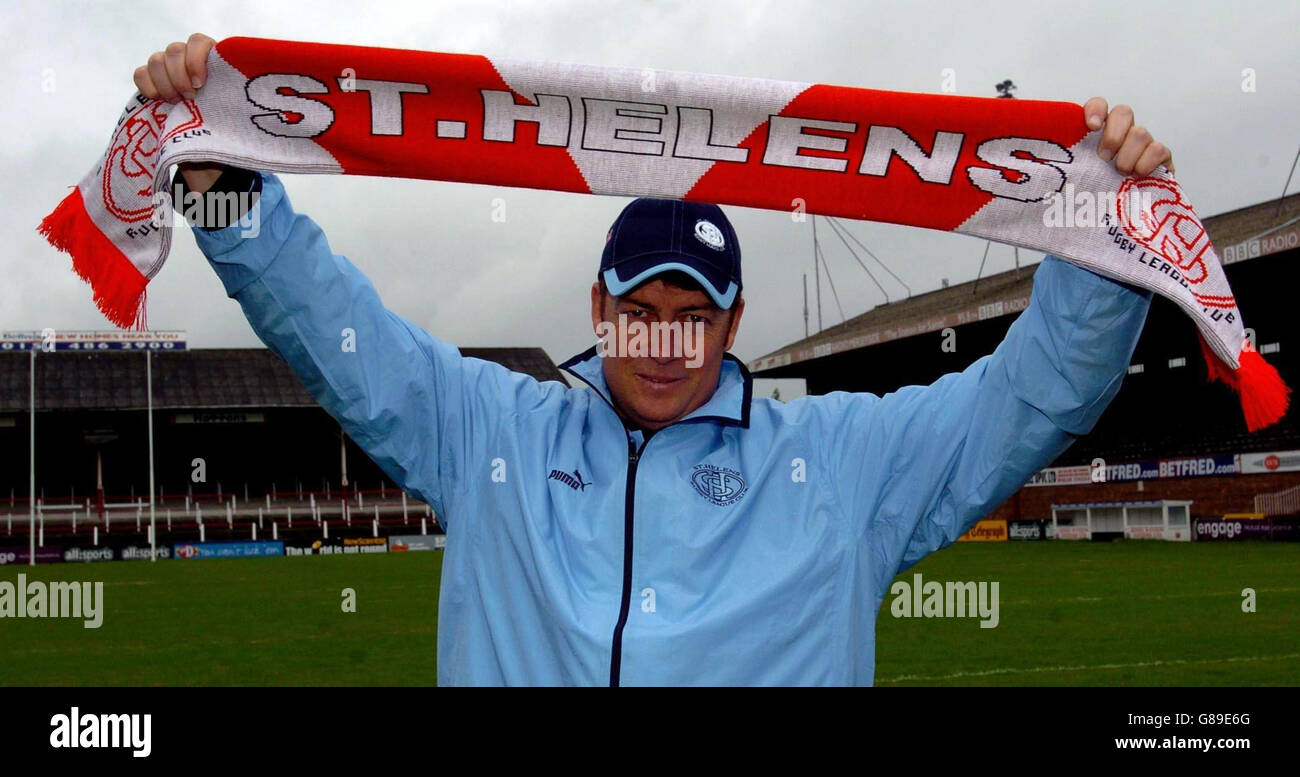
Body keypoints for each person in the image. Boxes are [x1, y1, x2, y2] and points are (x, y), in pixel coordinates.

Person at [136, 33, 1173, 686]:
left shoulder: (847, 465)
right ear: (597, 306)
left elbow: (1031, 397)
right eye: (639, 310)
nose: (663, 344)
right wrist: (224, 185)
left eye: (693, 315)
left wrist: (1098, 242)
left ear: (730, 326)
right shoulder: (492, 434)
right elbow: (333, 328)